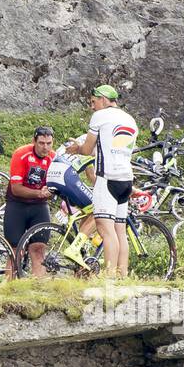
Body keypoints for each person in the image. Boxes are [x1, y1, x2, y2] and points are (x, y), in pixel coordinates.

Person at [70, 85, 138, 276]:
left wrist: (76, 148)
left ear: (104, 99)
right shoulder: (130, 119)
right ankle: (122, 276)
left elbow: (86, 150)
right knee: (119, 231)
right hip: (126, 179)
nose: (92, 107)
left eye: (93, 102)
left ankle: (108, 278)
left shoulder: (100, 116)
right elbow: (111, 146)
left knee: (105, 230)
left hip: (107, 178)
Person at [4, 127, 56, 277]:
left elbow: (55, 189)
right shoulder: (21, 154)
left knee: (39, 248)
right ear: (34, 141)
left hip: (39, 207)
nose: (45, 147)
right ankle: (8, 288)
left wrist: (52, 192)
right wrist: (40, 193)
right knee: (14, 249)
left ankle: (37, 289)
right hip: (17, 204)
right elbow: (16, 189)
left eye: (49, 143)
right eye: (41, 143)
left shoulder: (54, 158)